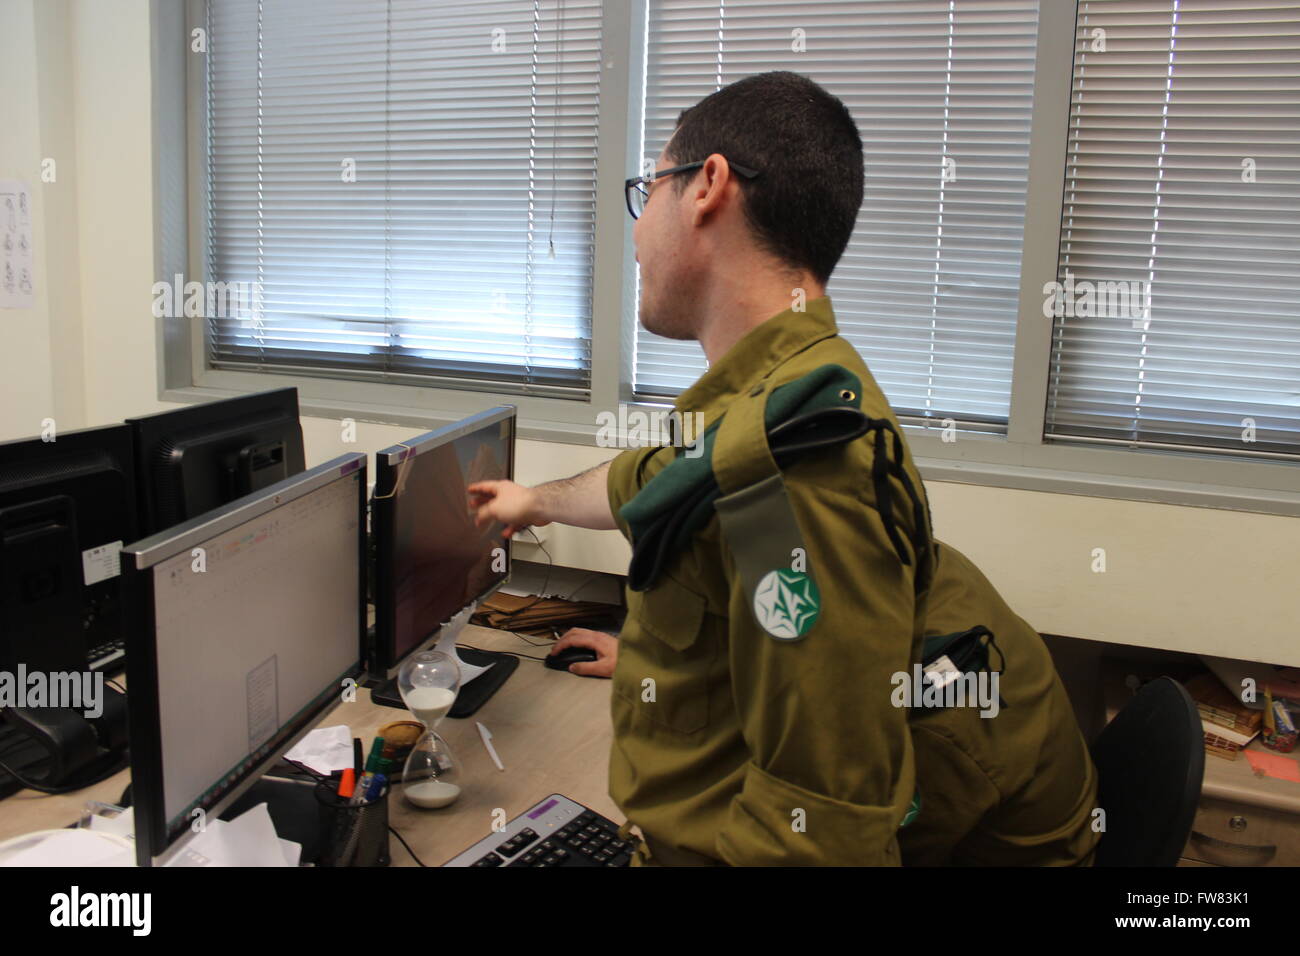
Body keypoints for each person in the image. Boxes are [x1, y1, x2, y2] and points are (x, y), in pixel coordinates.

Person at [470, 71, 1098, 866]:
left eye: (646, 191)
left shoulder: (796, 471)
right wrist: (537, 503)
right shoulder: (780, 387)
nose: (633, 234)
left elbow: (820, 828)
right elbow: (654, 483)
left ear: (708, 186)